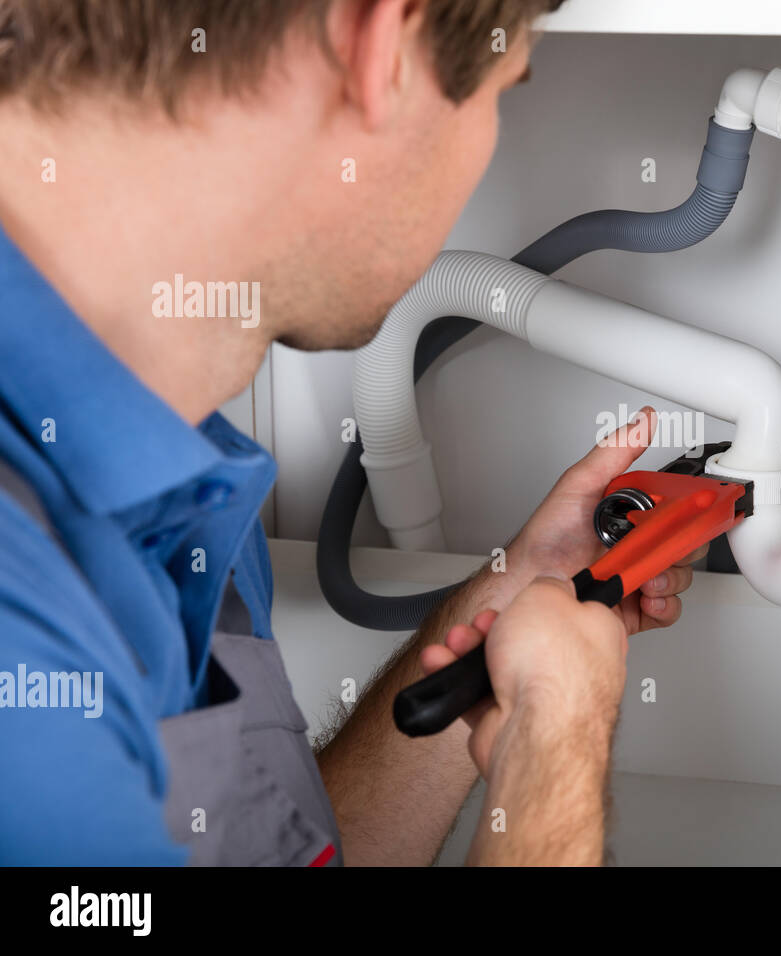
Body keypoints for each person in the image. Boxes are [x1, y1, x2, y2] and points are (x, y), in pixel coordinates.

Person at [0, 0, 702, 866]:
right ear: (380, 50)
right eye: (499, 90)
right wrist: (557, 746)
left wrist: (515, 597)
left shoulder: (175, 443)